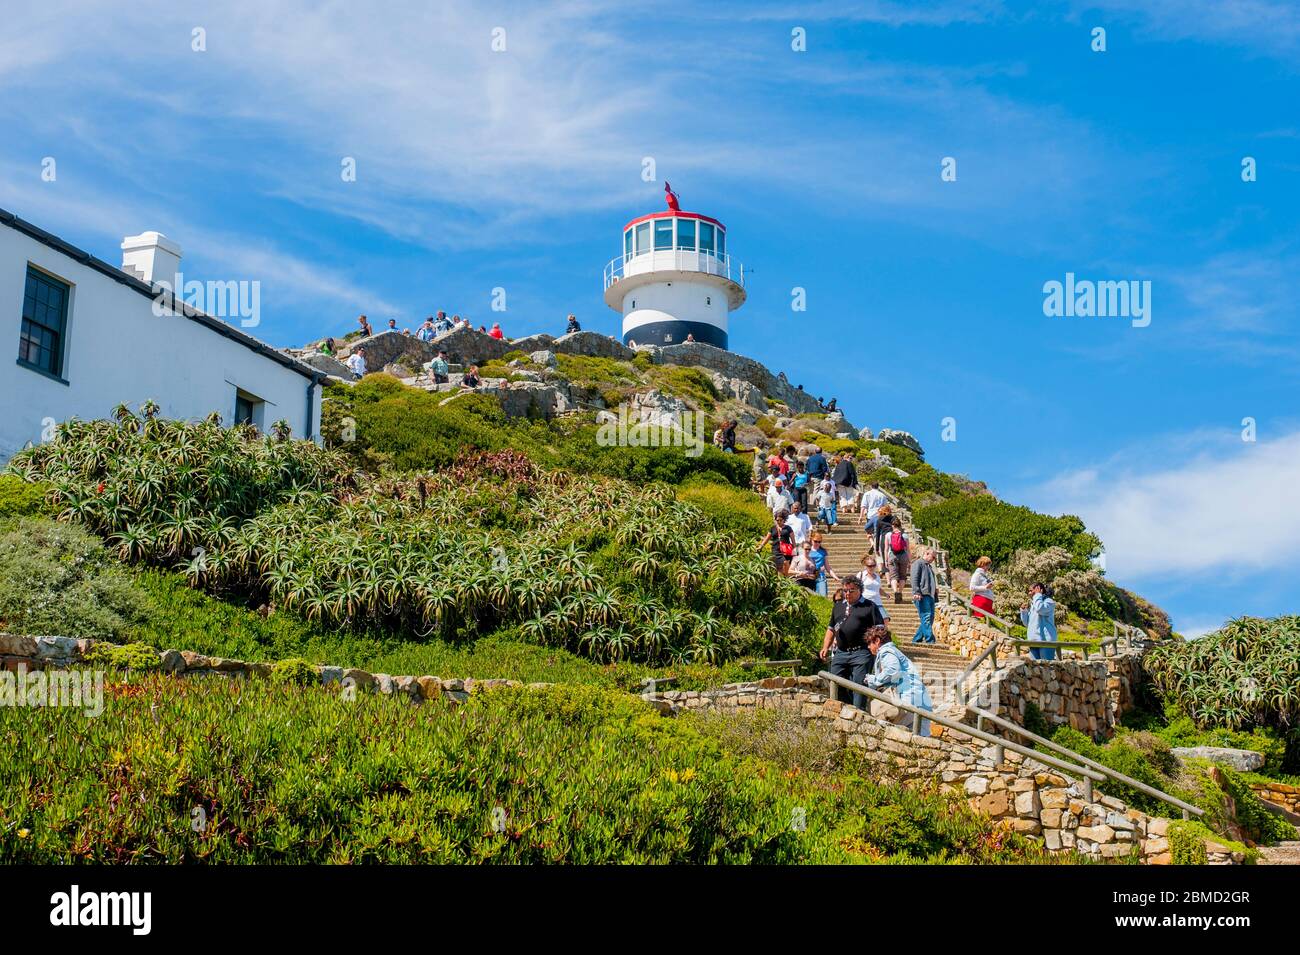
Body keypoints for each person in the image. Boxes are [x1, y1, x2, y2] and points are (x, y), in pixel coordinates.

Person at [819, 577, 887, 710]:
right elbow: (831, 629)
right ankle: (842, 711)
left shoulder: (870, 606)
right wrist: (825, 647)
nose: (848, 594)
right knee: (835, 680)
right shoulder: (838, 606)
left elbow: (880, 630)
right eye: (845, 591)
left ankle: (859, 714)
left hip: (862, 652)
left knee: (859, 684)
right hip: (841, 652)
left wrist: (878, 649)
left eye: (851, 591)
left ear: (860, 590)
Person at [866, 626, 933, 736]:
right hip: (920, 699)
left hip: (908, 698)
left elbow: (892, 670)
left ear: (877, 641)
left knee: (895, 733)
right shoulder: (894, 651)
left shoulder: (886, 651)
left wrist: (873, 680)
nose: (869, 646)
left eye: (870, 643)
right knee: (922, 737)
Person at [1020, 583, 1058, 661]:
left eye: (1031, 590)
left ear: (1039, 589)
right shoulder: (1035, 603)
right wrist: (1024, 612)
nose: (1029, 593)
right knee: (1035, 669)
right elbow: (1027, 624)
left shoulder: (1049, 602)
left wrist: (1038, 595)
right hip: (1033, 640)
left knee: (1047, 668)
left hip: (1046, 641)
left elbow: (1040, 609)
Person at [910, 547, 939, 643]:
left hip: (929, 596)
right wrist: (917, 592)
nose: (934, 559)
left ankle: (916, 639)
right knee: (926, 617)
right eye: (933, 557)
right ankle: (930, 640)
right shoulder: (918, 563)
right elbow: (914, 579)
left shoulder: (928, 566)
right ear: (926, 553)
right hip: (922, 595)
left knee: (929, 619)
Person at [757, 509, 795, 575]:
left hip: (786, 550)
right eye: (777, 520)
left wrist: (795, 549)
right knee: (779, 567)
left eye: (781, 520)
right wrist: (760, 546)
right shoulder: (773, 528)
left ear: (784, 520)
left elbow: (793, 540)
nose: (779, 522)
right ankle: (781, 582)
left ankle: (786, 578)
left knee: (785, 564)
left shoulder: (788, 528)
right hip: (776, 550)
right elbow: (767, 539)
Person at [881, 515, 908, 604]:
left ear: (892, 525)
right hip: (903, 556)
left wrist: (885, 560)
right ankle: (900, 592)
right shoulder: (905, 535)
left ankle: (895, 591)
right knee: (903, 576)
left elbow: (886, 548)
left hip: (892, 556)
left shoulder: (888, 535)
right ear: (900, 525)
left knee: (893, 576)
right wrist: (909, 560)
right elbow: (907, 550)